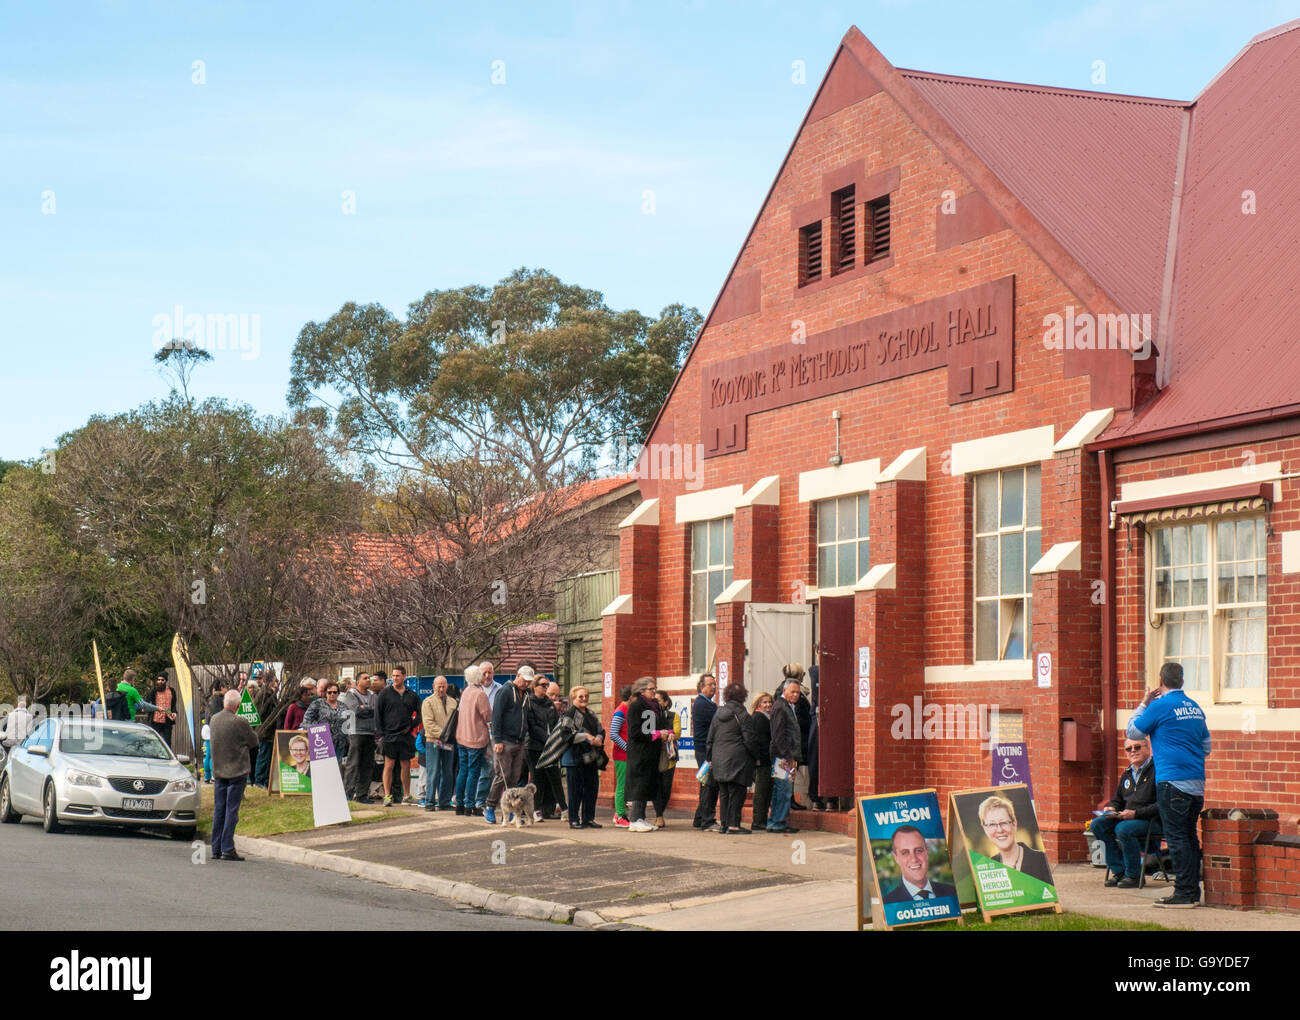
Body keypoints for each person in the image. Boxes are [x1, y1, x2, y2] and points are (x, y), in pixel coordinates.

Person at [1127, 661, 1212, 908]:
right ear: (1182, 681)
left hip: (1172, 782)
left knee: (1176, 838)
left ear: (1161, 682)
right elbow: (1207, 747)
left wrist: (1144, 702)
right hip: (1196, 783)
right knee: (1189, 837)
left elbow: (1133, 732)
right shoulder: (1195, 708)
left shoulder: (1160, 706)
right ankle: (1192, 890)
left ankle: (1184, 893)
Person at [1092, 736, 1160, 888]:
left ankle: (1134, 876)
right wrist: (1112, 808)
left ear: (1148, 749)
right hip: (1128, 817)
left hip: (1152, 821)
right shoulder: (1128, 773)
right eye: (1129, 749)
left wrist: (1135, 813)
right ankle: (1120, 872)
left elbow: (1161, 805)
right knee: (1098, 825)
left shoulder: (1158, 771)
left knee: (1123, 828)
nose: (1133, 751)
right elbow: (1118, 800)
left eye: (1137, 747)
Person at [210, 688, 259, 862]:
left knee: (219, 810)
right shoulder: (240, 721)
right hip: (237, 770)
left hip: (219, 771)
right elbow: (254, 742)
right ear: (237, 705)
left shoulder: (214, 720)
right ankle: (227, 848)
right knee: (231, 810)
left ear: (224, 703)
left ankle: (215, 848)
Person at [706, 683, 761, 834]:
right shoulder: (742, 714)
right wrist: (757, 756)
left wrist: (710, 757)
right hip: (739, 759)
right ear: (743, 696)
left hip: (719, 759)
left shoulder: (718, 713)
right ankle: (734, 825)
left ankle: (724, 825)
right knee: (737, 793)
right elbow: (750, 740)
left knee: (724, 793)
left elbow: (710, 738)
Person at [486, 666, 534, 824]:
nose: (526, 684)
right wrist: (497, 740)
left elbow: (527, 717)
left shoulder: (527, 694)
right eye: (524, 680)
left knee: (514, 777)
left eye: (529, 682)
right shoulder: (505, 691)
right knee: (502, 776)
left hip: (519, 741)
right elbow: (496, 716)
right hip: (505, 740)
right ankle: (490, 807)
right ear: (518, 675)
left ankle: (511, 811)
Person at [625, 676, 669, 833]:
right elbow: (635, 732)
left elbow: (659, 725)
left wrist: (666, 732)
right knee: (639, 785)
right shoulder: (636, 706)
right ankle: (634, 819)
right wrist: (656, 734)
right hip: (640, 752)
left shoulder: (655, 706)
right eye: (651, 689)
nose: (655, 691)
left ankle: (641, 818)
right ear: (642, 690)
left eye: (655, 688)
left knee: (646, 785)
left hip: (652, 752)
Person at [978, 795, 1053, 884]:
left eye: (1004, 822)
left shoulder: (1041, 860)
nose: (999, 830)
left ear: (1014, 824)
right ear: (985, 829)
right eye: (992, 824)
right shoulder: (987, 868)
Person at [562, 687, 605, 829]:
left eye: (586, 696)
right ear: (573, 698)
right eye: (581, 696)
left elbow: (601, 730)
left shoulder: (591, 714)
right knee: (575, 791)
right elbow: (566, 736)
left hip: (591, 758)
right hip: (574, 759)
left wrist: (598, 738)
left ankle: (589, 818)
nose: (584, 699)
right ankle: (574, 819)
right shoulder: (569, 714)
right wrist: (586, 738)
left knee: (591, 789)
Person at [377, 667, 421, 805]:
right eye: (393, 676)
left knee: (406, 765)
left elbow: (421, 713)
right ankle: (387, 796)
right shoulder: (384, 693)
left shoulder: (411, 694)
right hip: (389, 735)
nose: (395, 678)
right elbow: (377, 715)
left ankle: (406, 795)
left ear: (404, 677)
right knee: (389, 765)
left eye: (398, 676)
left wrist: (412, 726)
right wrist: (381, 734)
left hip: (405, 735)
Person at [881, 826, 958, 902]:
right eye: (905, 852)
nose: (914, 859)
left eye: (919, 850)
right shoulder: (889, 903)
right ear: (896, 858)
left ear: (927, 852)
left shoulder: (952, 893)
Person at [767, 675, 803, 834]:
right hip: (784, 757)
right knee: (784, 789)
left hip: (786, 755)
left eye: (798, 693)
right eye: (793, 692)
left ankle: (774, 821)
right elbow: (779, 735)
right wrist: (787, 757)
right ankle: (778, 822)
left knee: (779, 789)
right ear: (784, 690)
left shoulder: (787, 706)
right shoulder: (781, 707)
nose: (795, 695)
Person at [525, 675, 564, 820]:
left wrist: (554, 740)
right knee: (537, 778)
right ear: (534, 686)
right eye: (543, 685)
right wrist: (547, 739)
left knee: (551, 777)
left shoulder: (549, 704)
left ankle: (548, 809)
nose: (546, 688)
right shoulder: (529, 702)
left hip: (549, 746)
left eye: (547, 685)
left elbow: (555, 723)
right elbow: (532, 726)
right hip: (534, 745)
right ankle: (535, 810)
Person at [455, 665, 492, 816]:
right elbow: (488, 716)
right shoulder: (480, 694)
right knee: (473, 772)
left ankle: (459, 804)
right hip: (476, 738)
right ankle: (470, 804)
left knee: (463, 770)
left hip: (462, 736)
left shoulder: (465, 692)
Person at [420, 675, 458, 811]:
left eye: (443, 686)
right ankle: (429, 801)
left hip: (448, 742)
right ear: (433, 687)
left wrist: (450, 736)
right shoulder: (427, 702)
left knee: (448, 771)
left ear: (447, 686)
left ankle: (444, 801)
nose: (441, 689)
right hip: (434, 741)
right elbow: (428, 724)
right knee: (433, 771)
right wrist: (444, 734)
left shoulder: (453, 702)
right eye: (439, 686)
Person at [691, 673, 719, 830]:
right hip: (705, 750)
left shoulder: (707, 703)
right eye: (710, 684)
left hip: (704, 749)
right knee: (709, 784)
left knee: (705, 783)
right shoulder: (704, 705)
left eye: (714, 684)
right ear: (702, 687)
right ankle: (707, 820)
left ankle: (700, 817)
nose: (714, 687)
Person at [475, 661, 501, 809]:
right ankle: (478, 800)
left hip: (494, 735)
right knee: (478, 770)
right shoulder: (473, 689)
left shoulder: (500, 689)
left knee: (492, 768)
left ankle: (489, 800)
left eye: (489, 672)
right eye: (484, 673)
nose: (487, 676)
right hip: (477, 735)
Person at [653, 691, 681, 828]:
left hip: (669, 755)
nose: (656, 703)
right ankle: (659, 815)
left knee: (666, 787)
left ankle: (660, 811)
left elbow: (677, 731)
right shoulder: (651, 716)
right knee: (656, 786)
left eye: (659, 700)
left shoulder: (673, 716)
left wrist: (671, 734)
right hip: (654, 754)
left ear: (665, 702)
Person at [252, 676, 285, 789]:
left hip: (270, 732)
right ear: (270, 681)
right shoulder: (265, 694)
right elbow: (263, 713)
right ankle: (260, 781)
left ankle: (266, 781)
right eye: (275, 681)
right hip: (266, 732)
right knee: (264, 756)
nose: (277, 684)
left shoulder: (269, 693)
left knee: (268, 757)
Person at [302, 680, 349, 759]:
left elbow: (348, 723)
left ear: (338, 693)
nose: (332, 694)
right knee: (324, 768)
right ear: (325, 693)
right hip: (322, 744)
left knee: (337, 767)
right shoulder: (317, 704)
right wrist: (315, 732)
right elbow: (307, 720)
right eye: (329, 692)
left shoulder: (343, 706)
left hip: (340, 743)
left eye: (335, 692)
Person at [748, 691, 775, 831]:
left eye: (770, 702)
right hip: (762, 762)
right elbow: (759, 742)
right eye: (765, 702)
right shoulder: (759, 718)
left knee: (765, 791)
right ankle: (758, 821)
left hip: (766, 761)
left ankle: (762, 819)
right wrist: (759, 759)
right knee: (761, 792)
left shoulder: (766, 717)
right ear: (758, 704)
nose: (768, 705)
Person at [609, 685, 632, 827]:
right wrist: (627, 748)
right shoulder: (620, 712)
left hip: (626, 754)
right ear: (630, 697)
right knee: (622, 785)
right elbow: (613, 734)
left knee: (625, 785)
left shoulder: (626, 711)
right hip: (621, 755)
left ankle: (619, 813)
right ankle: (620, 816)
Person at [148, 674, 179, 747]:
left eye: (162, 680)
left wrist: (174, 713)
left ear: (166, 681)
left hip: (167, 719)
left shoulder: (171, 690)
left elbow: (174, 704)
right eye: (158, 680)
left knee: (167, 742)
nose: (160, 681)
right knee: (154, 742)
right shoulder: (153, 691)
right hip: (155, 720)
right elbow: (146, 702)